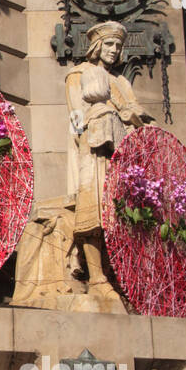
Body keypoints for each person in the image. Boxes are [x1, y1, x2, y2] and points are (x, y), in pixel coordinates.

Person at [66, 20, 153, 304]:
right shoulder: (79, 74)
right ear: (96, 46)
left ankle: (123, 275)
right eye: (109, 45)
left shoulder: (122, 82)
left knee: (121, 216)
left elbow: (136, 118)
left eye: (118, 46)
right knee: (94, 210)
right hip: (93, 150)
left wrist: (133, 119)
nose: (114, 51)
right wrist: (88, 136)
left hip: (123, 155)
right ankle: (97, 276)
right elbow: (75, 118)